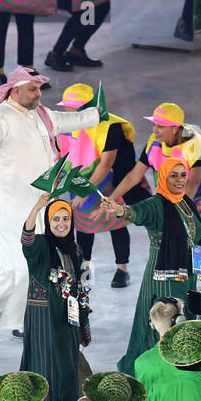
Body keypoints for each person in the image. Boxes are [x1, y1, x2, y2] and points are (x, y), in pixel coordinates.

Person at [0, 67, 99, 340]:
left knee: (38, 262)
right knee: (18, 263)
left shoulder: (40, 115)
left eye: (39, 88)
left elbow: (67, 120)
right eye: (32, 89)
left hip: (40, 202)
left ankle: (22, 321)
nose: (38, 94)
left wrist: (95, 114)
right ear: (15, 91)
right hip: (9, 205)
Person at [103, 154, 201, 375]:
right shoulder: (157, 204)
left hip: (189, 275)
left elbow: (196, 241)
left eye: (182, 176)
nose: (180, 180)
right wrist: (120, 210)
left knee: (184, 318)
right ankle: (159, 369)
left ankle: (182, 363)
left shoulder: (186, 203)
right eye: (174, 176)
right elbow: (138, 213)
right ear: (162, 177)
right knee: (164, 319)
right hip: (163, 278)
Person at [128, 102, 201, 289]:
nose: (155, 130)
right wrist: (112, 197)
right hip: (178, 193)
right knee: (182, 236)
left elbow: (194, 182)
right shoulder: (154, 142)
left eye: (160, 126)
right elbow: (135, 175)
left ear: (175, 129)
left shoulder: (193, 144)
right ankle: (189, 282)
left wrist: (180, 208)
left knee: (200, 235)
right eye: (155, 125)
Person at [20, 193, 91, 401]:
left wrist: (84, 322)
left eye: (66, 219)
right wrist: (37, 207)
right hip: (44, 321)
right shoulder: (41, 246)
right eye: (55, 220)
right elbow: (26, 239)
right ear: (48, 223)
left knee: (68, 371)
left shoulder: (74, 249)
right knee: (47, 369)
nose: (61, 224)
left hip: (67, 321)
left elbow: (81, 286)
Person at [54, 83, 135, 288]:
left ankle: (122, 269)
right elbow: (58, 154)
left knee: (116, 223)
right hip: (79, 179)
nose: (66, 111)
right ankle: (84, 265)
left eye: (71, 107)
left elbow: (107, 164)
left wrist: (85, 192)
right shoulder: (65, 124)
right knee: (83, 225)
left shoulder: (111, 127)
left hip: (110, 182)